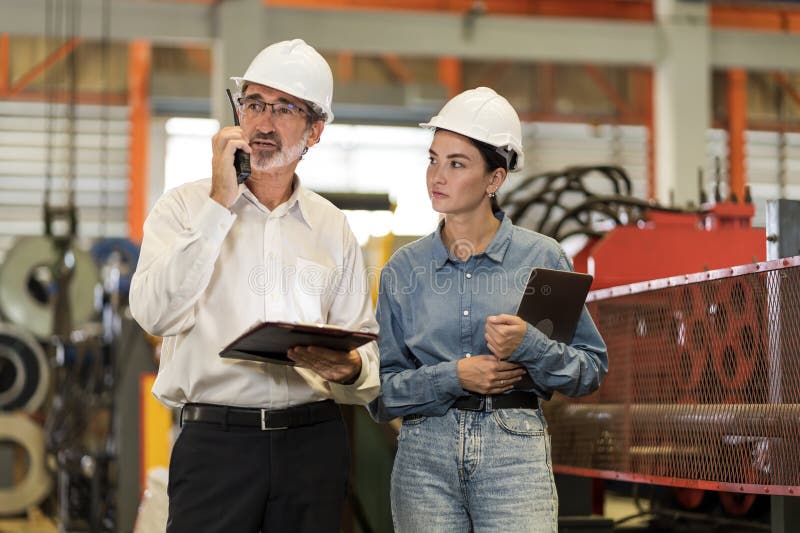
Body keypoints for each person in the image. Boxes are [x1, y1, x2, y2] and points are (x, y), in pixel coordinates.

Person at [129, 39, 379, 533]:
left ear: (316, 131)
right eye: (254, 103)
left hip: (313, 448)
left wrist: (349, 369)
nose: (263, 122)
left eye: (284, 108)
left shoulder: (332, 227)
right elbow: (155, 314)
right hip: (216, 449)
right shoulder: (182, 209)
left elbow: (365, 348)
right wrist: (219, 205)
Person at [368, 87, 608, 532]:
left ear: (494, 179)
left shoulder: (542, 259)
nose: (436, 176)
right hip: (425, 458)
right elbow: (381, 395)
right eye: (433, 159)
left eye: (456, 164)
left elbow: (589, 371)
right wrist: (454, 376)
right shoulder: (405, 269)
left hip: (513, 454)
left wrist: (531, 346)